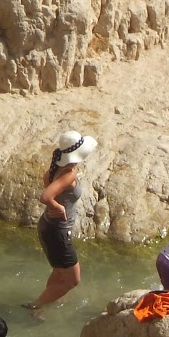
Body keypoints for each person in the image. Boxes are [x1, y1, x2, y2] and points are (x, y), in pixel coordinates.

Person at [27, 131, 97, 314]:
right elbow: (45, 196)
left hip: (48, 227)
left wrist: (56, 201)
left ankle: (41, 306)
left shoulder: (55, 170)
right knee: (73, 280)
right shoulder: (68, 175)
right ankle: (35, 305)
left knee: (59, 273)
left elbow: (46, 181)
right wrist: (58, 207)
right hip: (57, 231)